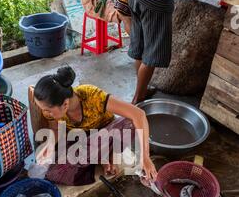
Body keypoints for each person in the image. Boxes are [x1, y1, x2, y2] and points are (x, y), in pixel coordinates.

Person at [28, 66, 157, 186]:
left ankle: (104, 156)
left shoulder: (93, 96)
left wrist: (144, 157)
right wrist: (50, 143)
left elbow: (139, 114)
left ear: (65, 104)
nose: (45, 113)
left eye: (47, 110)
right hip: (81, 139)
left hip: (106, 134)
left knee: (130, 123)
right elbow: (56, 129)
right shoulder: (53, 110)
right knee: (54, 173)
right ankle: (102, 157)